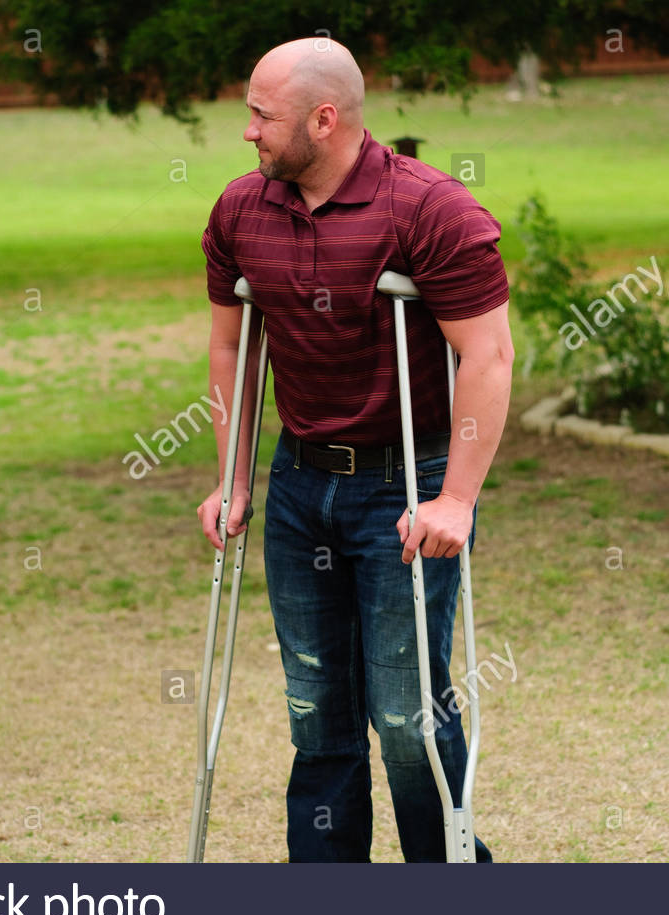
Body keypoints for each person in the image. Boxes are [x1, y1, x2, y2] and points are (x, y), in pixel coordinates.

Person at [197, 37, 514, 862]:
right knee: (319, 715)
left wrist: (458, 501)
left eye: (262, 117)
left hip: (408, 482)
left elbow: (488, 356)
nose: (248, 133)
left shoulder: (430, 210)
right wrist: (232, 479)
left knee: (407, 720)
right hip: (302, 485)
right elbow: (233, 347)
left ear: (323, 119)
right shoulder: (240, 210)